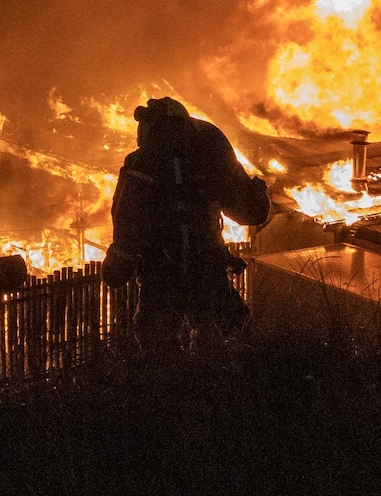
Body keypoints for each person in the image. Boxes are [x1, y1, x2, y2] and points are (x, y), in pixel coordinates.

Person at [100, 97, 271, 337]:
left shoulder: (142, 164)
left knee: (159, 347)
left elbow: (128, 218)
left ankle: (177, 371)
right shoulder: (208, 153)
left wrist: (118, 262)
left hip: (161, 276)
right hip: (207, 271)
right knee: (229, 334)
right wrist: (255, 193)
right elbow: (248, 210)